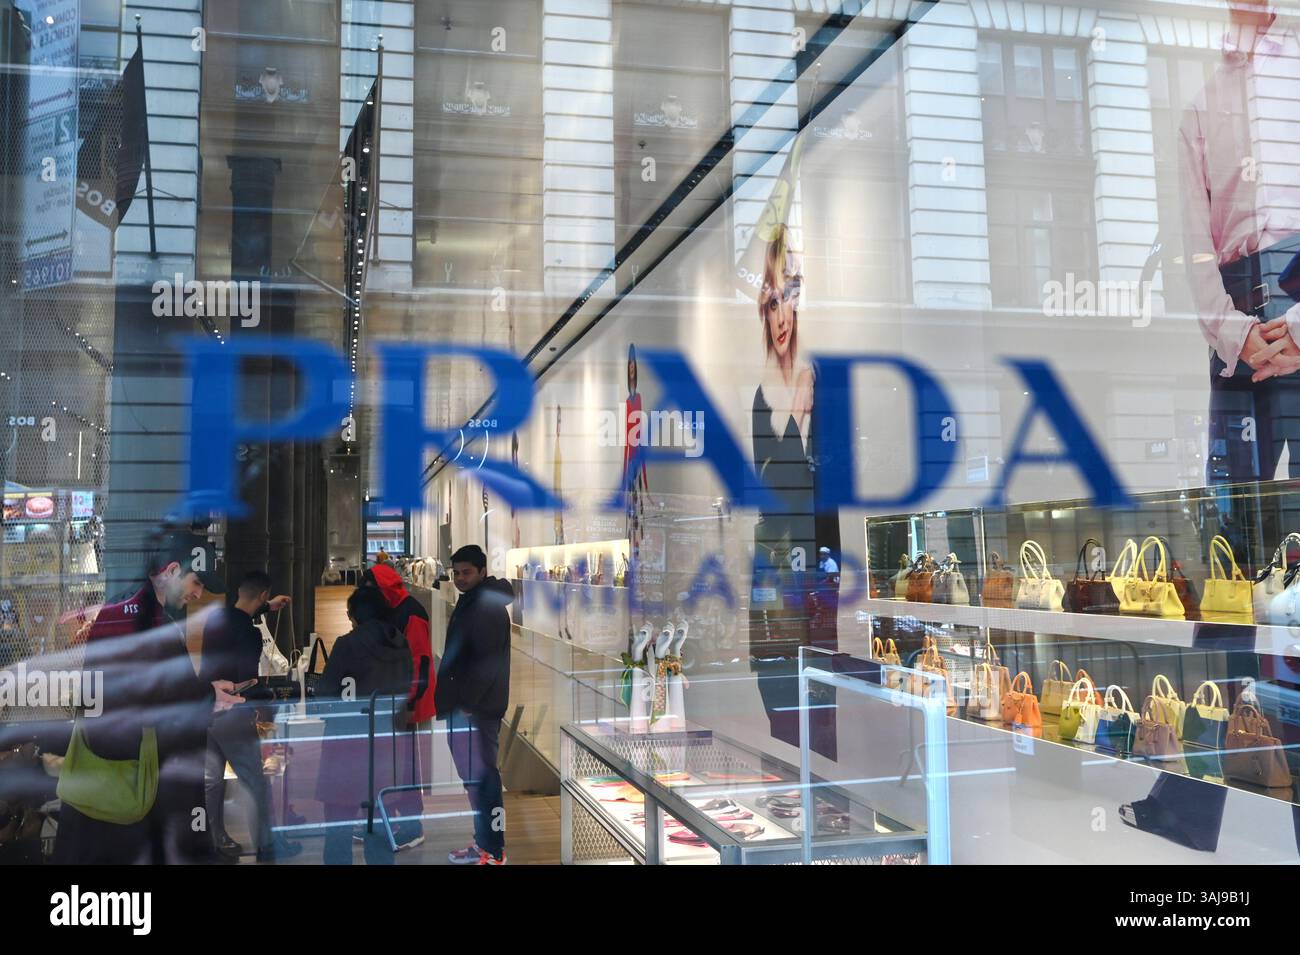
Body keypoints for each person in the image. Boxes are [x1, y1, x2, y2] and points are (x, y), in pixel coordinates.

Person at [1119, 0, 1300, 855]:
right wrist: (1237, 333)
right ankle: (1194, 802)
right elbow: (1190, 240)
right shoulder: (1199, 104)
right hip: (1236, 326)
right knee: (1230, 565)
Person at [54, 529, 244, 865]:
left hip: (123, 783)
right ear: (172, 572)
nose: (198, 594)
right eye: (196, 582)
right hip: (129, 788)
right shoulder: (138, 619)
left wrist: (204, 692)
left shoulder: (136, 613)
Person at [747, 223, 839, 759]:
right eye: (774, 299)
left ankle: (817, 796)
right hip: (774, 566)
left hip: (813, 570)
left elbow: (825, 490)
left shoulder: (817, 379)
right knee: (776, 687)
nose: (782, 315)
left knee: (813, 697)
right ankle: (791, 782)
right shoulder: (762, 392)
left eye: (792, 297)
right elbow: (765, 494)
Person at [198, 569, 301, 862]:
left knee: (211, 780)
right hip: (233, 714)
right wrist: (264, 702)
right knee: (255, 782)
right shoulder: (251, 635)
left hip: (206, 709)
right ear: (264, 594)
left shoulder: (214, 620)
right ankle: (267, 848)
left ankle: (214, 840)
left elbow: (242, 614)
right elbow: (248, 679)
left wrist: (268, 607)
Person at [314, 586, 414, 865]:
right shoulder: (401, 643)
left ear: (354, 614)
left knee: (338, 827)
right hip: (386, 745)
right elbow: (405, 691)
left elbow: (326, 694)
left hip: (346, 745)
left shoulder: (348, 644)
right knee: (380, 826)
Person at [438, 544, 514, 865]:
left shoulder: (486, 607)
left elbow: (488, 663)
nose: (460, 578)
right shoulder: (473, 602)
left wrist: (467, 704)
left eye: (466, 572)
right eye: (455, 573)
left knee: (485, 783)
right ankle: (484, 844)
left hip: (477, 712)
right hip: (467, 709)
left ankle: (494, 851)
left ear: (482, 571)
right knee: (476, 782)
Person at [360, 562, 436, 849]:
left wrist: (409, 705)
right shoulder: (393, 609)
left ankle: (412, 824)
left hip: (406, 703)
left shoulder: (410, 613)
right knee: (391, 764)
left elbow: (420, 661)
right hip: (393, 700)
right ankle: (387, 818)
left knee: (405, 766)